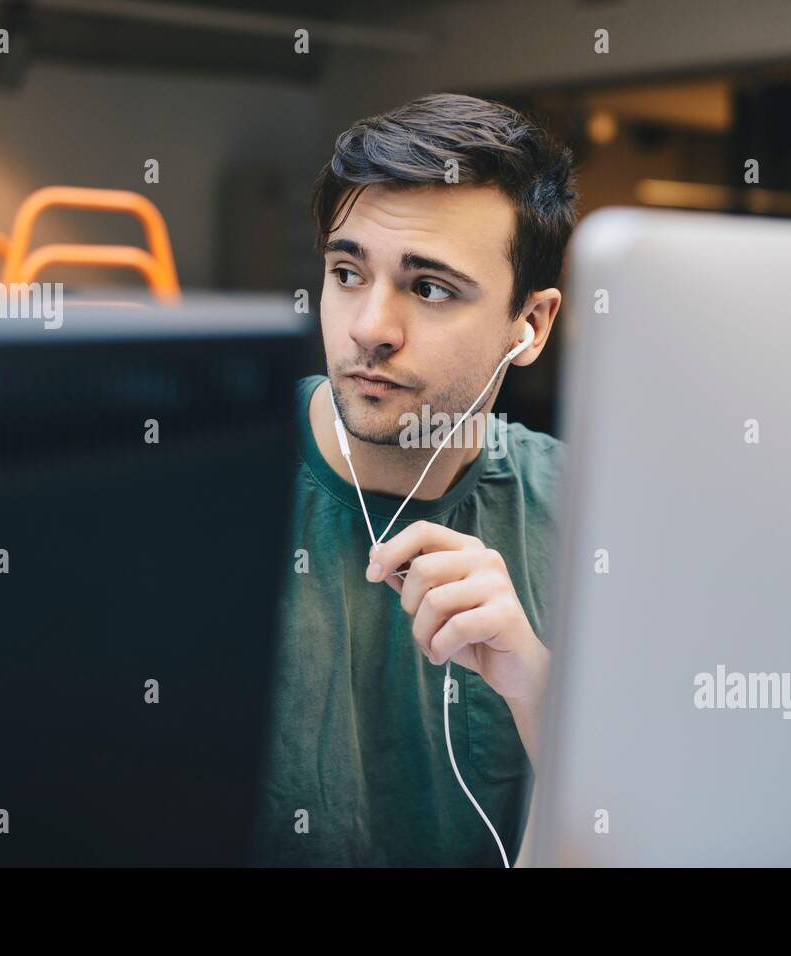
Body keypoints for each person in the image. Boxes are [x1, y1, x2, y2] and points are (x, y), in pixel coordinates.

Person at [248, 92, 578, 866]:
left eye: (429, 288)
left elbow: (657, 833)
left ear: (529, 325)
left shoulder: (585, 515)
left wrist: (537, 686)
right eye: (347, 272)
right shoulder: (209, 488)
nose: (370, 328)